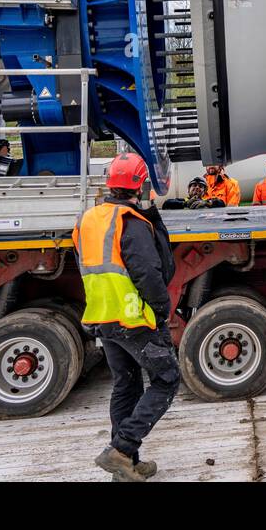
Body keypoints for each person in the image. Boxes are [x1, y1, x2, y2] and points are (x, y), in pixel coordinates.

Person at [72, 152, 180, 481]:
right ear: (141, 185)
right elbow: (150, 272)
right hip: (135, 319)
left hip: (105, 316)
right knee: (167, 380)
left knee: (127, 385)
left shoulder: (89, 219)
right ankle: (121, 449)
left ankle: (126, 464)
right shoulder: (131, 223)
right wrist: (161, 309)